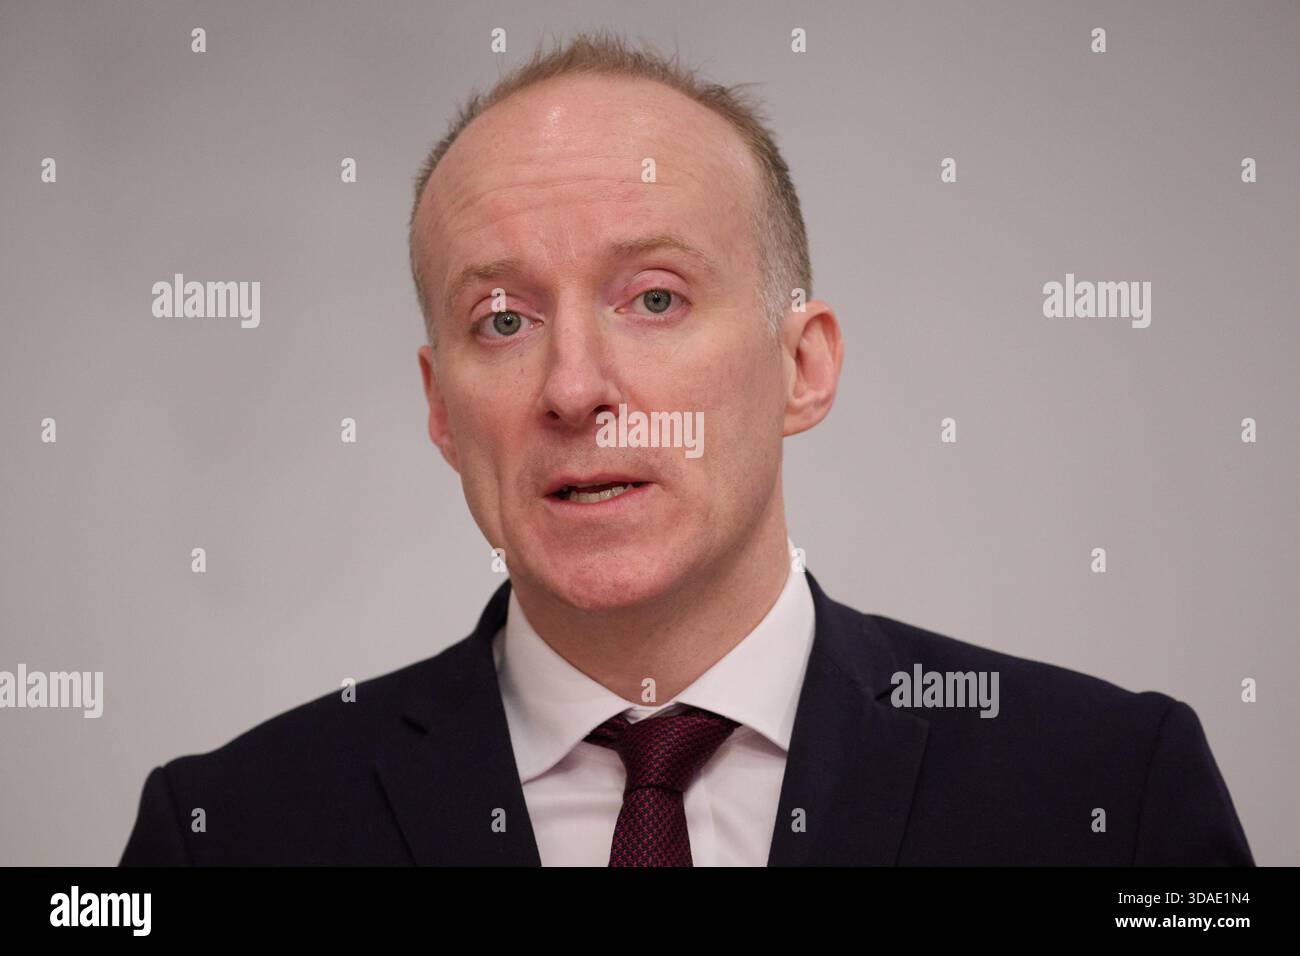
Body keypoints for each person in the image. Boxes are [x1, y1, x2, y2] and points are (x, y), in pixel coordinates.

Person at [120, 31, 1253, 866]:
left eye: (653, 298)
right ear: (440, 409)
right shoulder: (230, 831)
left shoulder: (1108, 792)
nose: (573, 387)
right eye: (501, 321)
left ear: (801, 365)